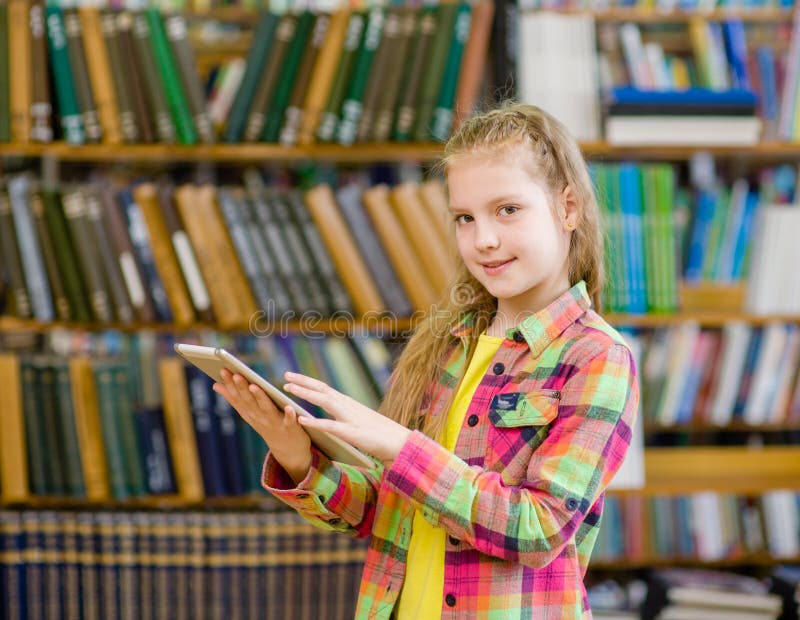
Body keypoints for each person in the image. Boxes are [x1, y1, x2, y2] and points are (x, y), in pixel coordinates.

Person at [214, 103, 639, 619]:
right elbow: (385, 514)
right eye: (466, 217)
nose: (483, 238)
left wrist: (402, 448)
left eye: (507, 210)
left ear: (568, 208)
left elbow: (538, 530)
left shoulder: (597, 357)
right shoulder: (444, 345)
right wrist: (298, 456)